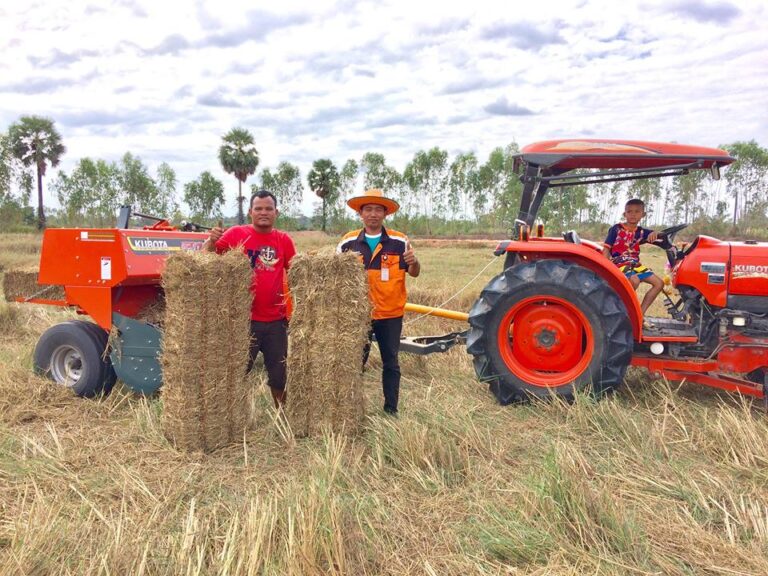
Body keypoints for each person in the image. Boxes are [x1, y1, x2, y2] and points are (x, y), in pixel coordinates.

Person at [204, 190, 296, 408]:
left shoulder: (284, 240)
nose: (263, 212)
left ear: (276, 212)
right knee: (237, 371)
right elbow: (205, 261)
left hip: (276, 320)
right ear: (250, 212)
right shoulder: (236, 234)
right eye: (259, 208)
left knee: (279, 373)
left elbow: (297, 274)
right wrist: (210, 241)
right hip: (245, 321)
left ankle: (280, 414)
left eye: (268, 208)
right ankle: (232, 415)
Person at [337, 188, 420, 415]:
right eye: (368, 209)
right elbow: (335, 277)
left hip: (390, 313)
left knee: (391, 363)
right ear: (360, 213)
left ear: (385, 214)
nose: (373, 214)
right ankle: (351, 409)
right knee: (355, 363)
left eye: (378, 210)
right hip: (358, 314)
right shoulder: (347, 243)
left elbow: (414, 272)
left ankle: (391, 409)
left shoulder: (399, 241)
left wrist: (414, 262)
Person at [602, 198, 664, 315]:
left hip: (635, 264)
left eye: (637, 211)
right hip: (619, 262)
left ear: (643, 214)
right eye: (629, 212)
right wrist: (605, 269)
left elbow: (654, 233)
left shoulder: (642, 231)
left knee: (659, 283)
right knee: (634, 280)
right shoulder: (616, 228)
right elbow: (606, 248)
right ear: (624, 214)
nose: (633, 214)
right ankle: (623, 312)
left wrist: (655, 233)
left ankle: (640, 314)